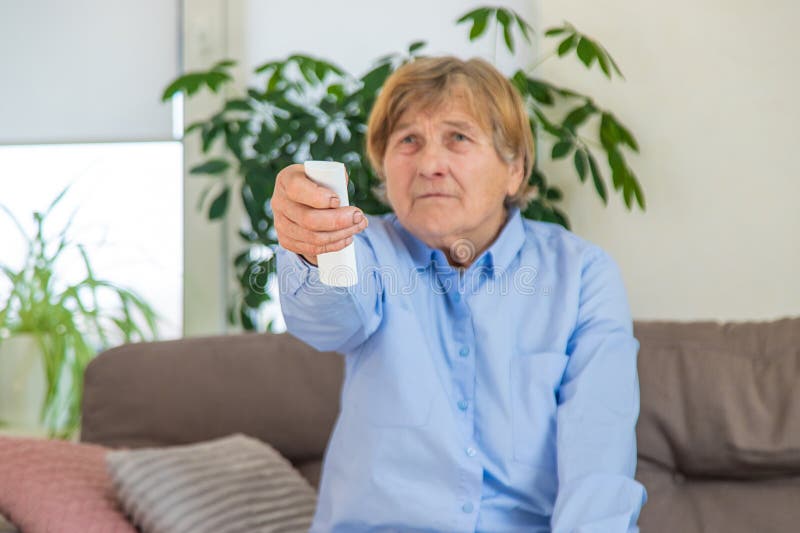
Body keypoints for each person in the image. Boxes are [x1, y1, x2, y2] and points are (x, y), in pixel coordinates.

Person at [273, 55, 647, 532]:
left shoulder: (582, 276)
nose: (430, 164)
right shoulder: (366, 251)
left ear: (514, 169)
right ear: (384, 169)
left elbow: (599, 459)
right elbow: (325, 319)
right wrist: (311, 245)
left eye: (458, 138)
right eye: (409, 140)